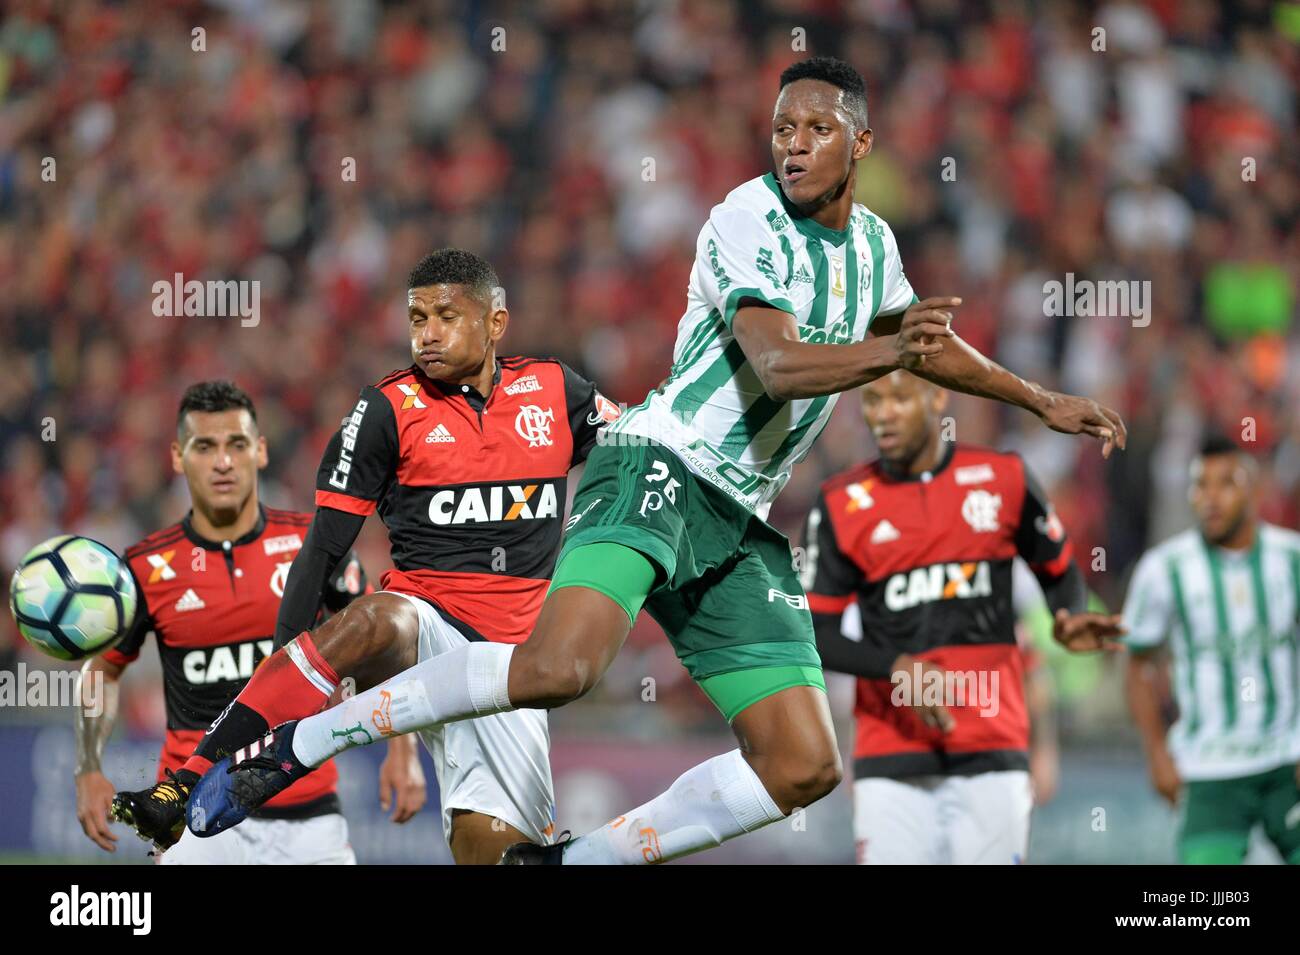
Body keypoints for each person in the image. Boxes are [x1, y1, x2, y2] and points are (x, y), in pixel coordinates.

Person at [125, 56, 1124, 866]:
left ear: (861, 142)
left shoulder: (872, 246)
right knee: (560, 669)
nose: (792, 145)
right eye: (780, 128)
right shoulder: (744, 218)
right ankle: (302, 740)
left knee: (803, 764)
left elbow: (926, 341)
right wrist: (890, 351)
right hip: (656, 465)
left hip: (735, 520)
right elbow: (774, 365)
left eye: (815, 128)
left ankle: (569, 863)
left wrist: (1038, 399)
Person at [113, 250, 617, 864]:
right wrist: (286, 675)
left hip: (516, 666)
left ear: (495, 323)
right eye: (416, 316)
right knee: (380, 616)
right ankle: (188, 783)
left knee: (495, 856)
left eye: (446, 316)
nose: (426, 333)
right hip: (427, 626)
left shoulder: (554, 389)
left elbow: (633, 455)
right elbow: (323, 550)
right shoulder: (385, 410)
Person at [83, 380, 423, 862]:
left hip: (309, 811)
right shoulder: (144, 567)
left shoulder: (316, 546)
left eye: (237, 444)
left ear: (260, 451)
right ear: (178, 457)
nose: (223, 462)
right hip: (195, 816)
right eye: (205, 447)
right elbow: (104, 668)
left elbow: (382, 647)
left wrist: (403, 751)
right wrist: (88, 766)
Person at [802, 371, 1120, 864]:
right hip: (891, 754)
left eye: (900, 398)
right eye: (872, 401)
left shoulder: (1004, 479)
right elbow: (815, 634)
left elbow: (1060, 573)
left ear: (936, 395)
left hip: (992, 746)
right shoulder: (841, 504)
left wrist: (1068, 616)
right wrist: (896, 666)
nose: (883, 414)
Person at [1122, 435, 1300, 864]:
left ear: (1255, 491)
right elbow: (1136, 666)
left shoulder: (1291, 559)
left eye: (1225, 484)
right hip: (1208, 769)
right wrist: (1158, 755)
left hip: (1287, 761)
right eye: (1201, 486)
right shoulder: (1164, 569)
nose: (1210, 498)